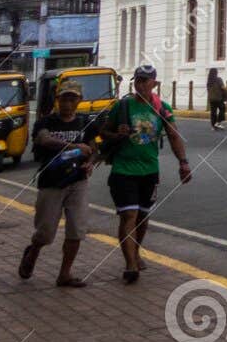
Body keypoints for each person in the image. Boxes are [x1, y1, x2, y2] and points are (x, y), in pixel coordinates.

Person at [100, 64, 191, 283]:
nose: (141, 84)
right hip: (123, 169)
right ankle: (130, 264)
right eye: (138, 80)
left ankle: (136, 251)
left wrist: (183, 162)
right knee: (128, 215)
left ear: (154, 84)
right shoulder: (122, 106)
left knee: (142, 217)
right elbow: (103, 132)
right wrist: (115, 134)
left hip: (149, 171)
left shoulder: (162, 108)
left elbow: (174, 136)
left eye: (145, 80)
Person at [19, 86, 100, 287]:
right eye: (64, 99)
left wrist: (91, 161)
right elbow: (43, 139)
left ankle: (65, 273)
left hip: (77, 181)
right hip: (51, 182)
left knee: (77, 229)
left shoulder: (85, 123)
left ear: (79, 100)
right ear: (57, 100)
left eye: (72, 99)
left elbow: (94, 148)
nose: (68, 103)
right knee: (45, 232)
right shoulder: (46, 122)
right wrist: (73, 147)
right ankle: (34, 249)